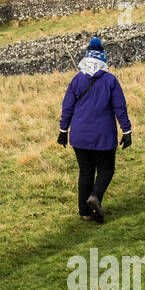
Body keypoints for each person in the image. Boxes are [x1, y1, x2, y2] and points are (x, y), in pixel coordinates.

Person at [56, 37, 132, 223]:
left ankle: (85, 213)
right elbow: (119, 107)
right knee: (106, 169)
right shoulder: (110, 80)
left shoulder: (77, 79)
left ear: (87, 57)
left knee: (85, 172)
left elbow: (67, 107)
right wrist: (127, 131)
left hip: (79, 136)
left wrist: (63, 131)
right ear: (103, 58)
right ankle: (95, 197)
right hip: (103, 136)